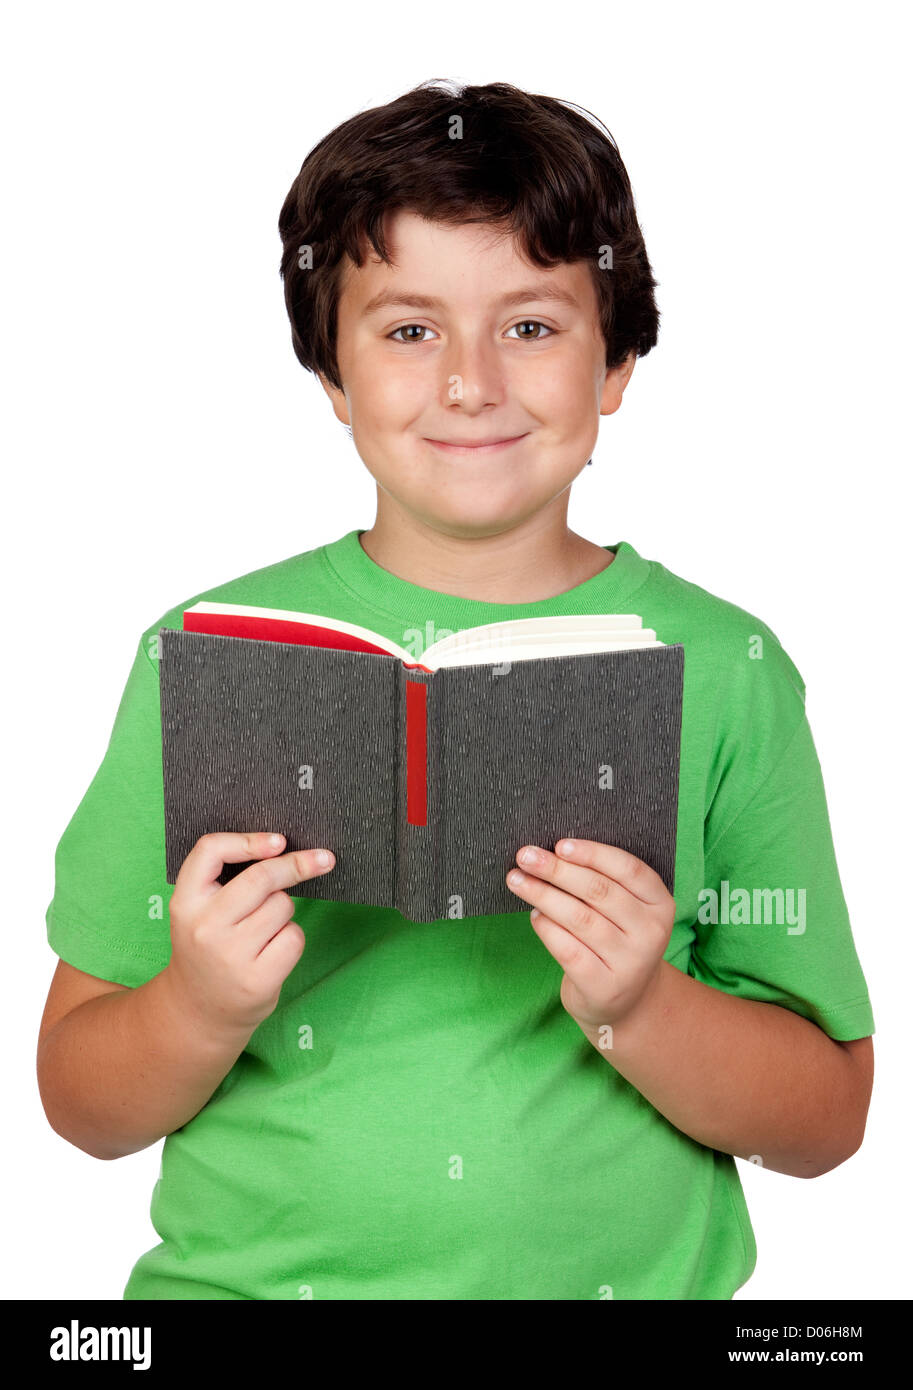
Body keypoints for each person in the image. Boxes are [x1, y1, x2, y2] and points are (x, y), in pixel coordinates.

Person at [38, 79, 875, 1300]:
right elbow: (81, 1103)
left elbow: (825, 1119)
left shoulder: (728, 668)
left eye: (532, 326)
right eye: (409, 329)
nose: (471, 382)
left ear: (619, 361)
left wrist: (640, 1004)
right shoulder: (202, 650)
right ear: (332, 373)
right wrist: (199, 1005)